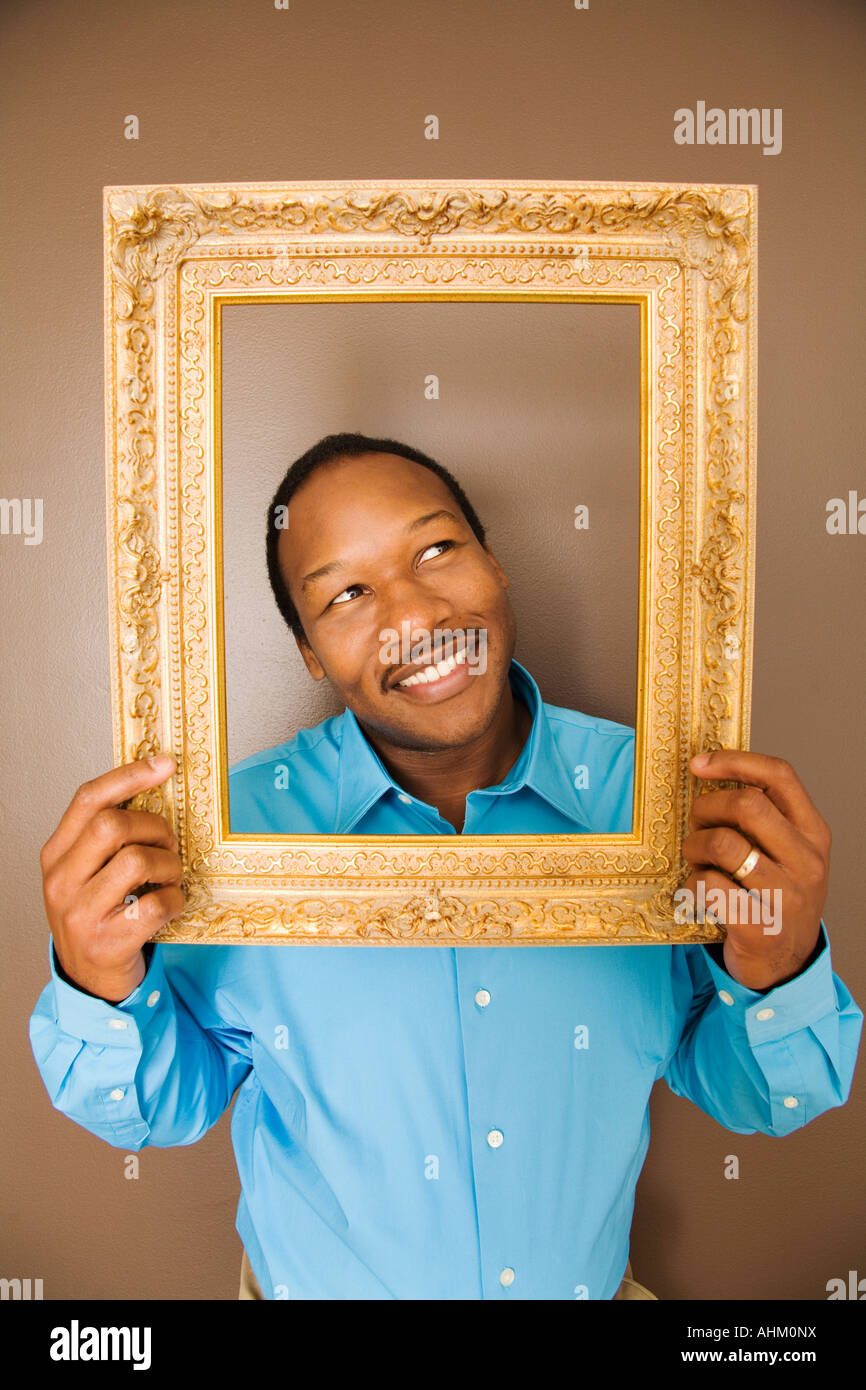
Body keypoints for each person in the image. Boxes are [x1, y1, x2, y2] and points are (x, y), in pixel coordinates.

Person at [31, 433, 862, 1300]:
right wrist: (98, 983)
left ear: (496, 565)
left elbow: (769, 1101)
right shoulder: (232, 838)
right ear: (312, 655)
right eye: (348, 593)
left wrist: (777, 965)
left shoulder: (665, 806)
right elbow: (158, 1110)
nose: (415, 617)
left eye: (435, 550)